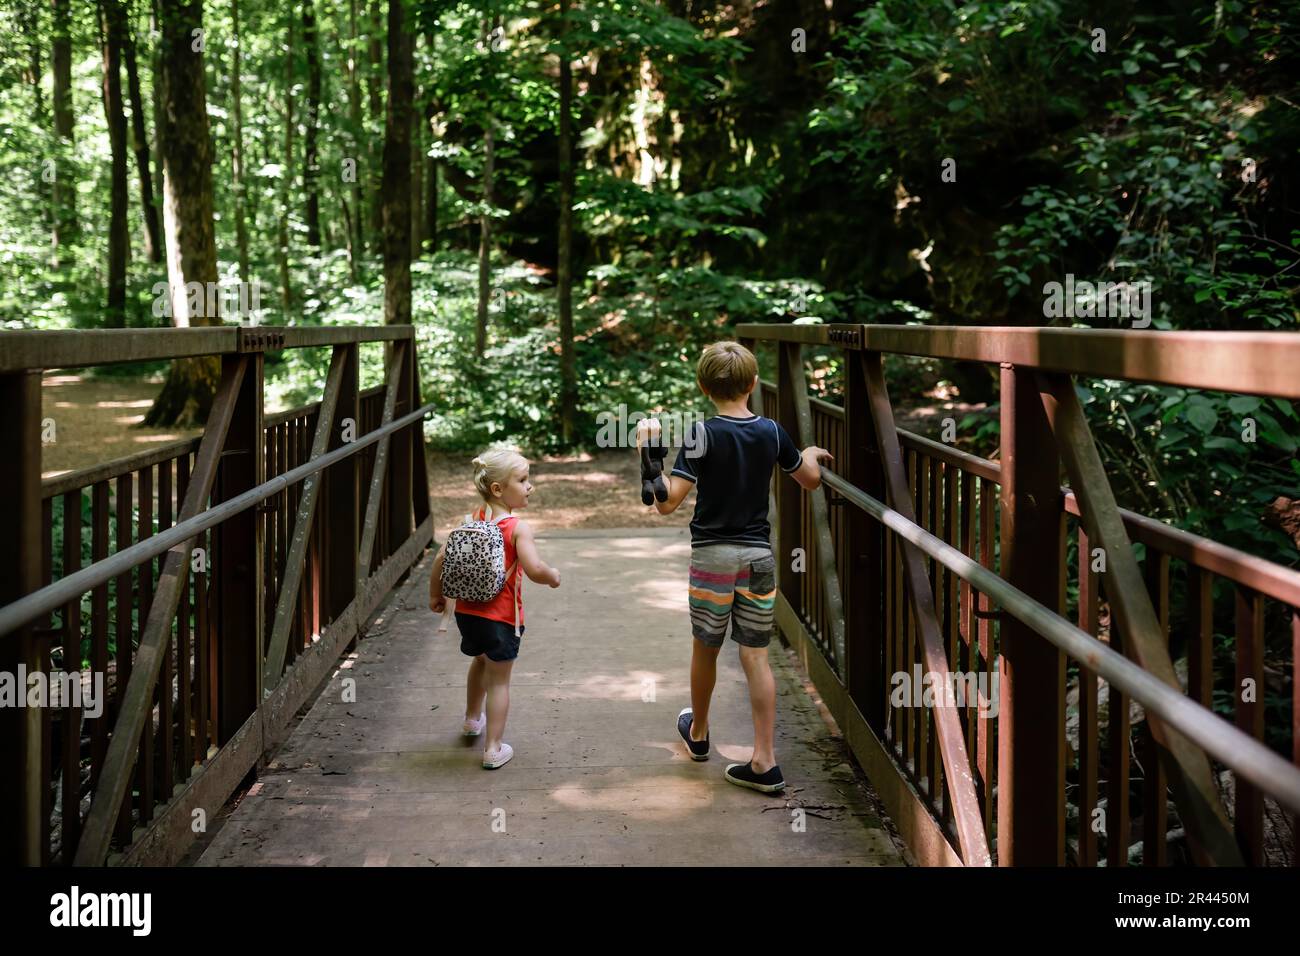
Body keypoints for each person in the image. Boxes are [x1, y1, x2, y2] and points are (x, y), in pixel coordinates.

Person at [639, 341, 831, 792]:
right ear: (753, 384)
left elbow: (667, 505)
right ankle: (764, 761)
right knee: (755, 656)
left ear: (704, 387)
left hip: (712, 558)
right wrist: (809, 454)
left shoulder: (701, 435)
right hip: (758, 558)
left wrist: (650, 460)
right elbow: (809, 481)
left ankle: (700, 734)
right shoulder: (771, 432)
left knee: (705, 647)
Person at [428, 448, 561, 769]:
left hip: (466, 614)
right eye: (523, 480)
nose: (530, 486)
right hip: (501, 618)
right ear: (498, 489)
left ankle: (472, 720)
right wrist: (552, 576)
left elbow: (440, 559)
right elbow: (533, 568)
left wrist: (437, 594)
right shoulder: (517, 527)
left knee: (479, 662)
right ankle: (493, 748)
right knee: (499, 680)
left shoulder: (471, 519)